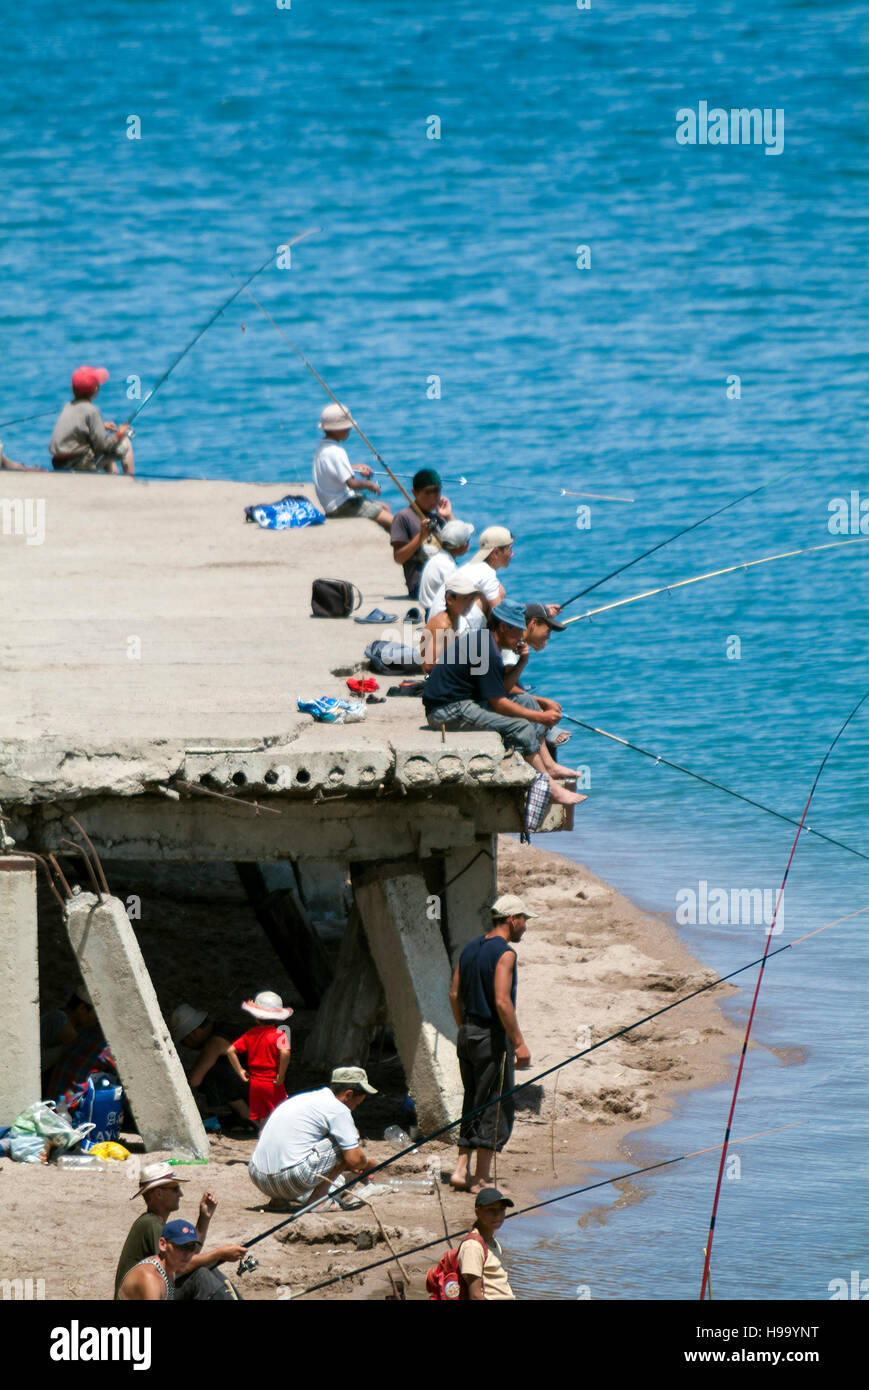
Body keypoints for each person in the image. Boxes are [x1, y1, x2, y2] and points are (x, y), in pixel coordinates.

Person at [421, 599, 586, 807]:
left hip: (466, 701)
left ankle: (549, 766)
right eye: (517, 630)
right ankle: (550, 789)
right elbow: (499, 703)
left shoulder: (488, 643)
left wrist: (521, 663)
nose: (520, 636)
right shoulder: (486, 649)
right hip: (447, 709)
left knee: (526, 700)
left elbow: (503, 689)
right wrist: (541, 717)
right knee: (520, 725)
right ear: (503, 627)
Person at [448, 895, 535, 1193]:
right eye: (524, 920)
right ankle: (482, 1179)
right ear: (512, 919)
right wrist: (519, 1043)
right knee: (494, 1104)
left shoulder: (470, 948)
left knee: (472, 1099)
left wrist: (464, 1028)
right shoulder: (506, 953)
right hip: (491, 1036)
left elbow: (454, 995)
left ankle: (461, 1170)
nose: (525, 926)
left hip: (467, 1033)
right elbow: (501, 1000)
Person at [248, 1066, 378, 1212]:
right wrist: (366, 1164)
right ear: (348, 1094)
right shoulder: (338, 1109)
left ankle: (277, 1201)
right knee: (346, 1140)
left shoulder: (303, 1099)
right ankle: (318, 1201)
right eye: (356, 1103)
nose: (354, 1108)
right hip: (288, 1182)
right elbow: (354, 1159)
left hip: (258, 1177)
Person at [114, 1162, 246, 1301]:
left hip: (159, 1287)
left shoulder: (153, 1222)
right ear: (158, 1193)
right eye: (175, 1188)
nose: (181, 1194)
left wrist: (204, 1217)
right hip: (148, 1292)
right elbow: (183, 1266)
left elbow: (186, 1257)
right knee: (201, 1276)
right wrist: (219, 1254)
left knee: (208, 1267)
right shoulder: (151, 1223)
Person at [171, 1004, 253, 1130]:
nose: (185, 1046)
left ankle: (247, 1116)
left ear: (194, 1032)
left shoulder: (216, 1041)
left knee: (213, 1071)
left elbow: (194, 1080)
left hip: (259, 1087)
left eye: (184, 1041)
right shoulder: (225, 1029)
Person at [312, 403, 392, 530]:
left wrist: (355, 467)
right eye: (347, 427)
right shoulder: (337, 451)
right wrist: (368, 485)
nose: (349, 430)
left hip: (330, 505)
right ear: (338, 429)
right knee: (392, 521)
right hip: (342, 505)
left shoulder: (323, 447)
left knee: (385, 507)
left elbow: (333, 469)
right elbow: (352, 484)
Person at [48, 366, 134, 475]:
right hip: (80, 463)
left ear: (73, 389)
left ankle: (112, 476)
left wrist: (101, 425)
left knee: (99, 446)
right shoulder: (92, 410)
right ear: (95, 390)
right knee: (125, 442)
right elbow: (103, 445)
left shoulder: (68, 406)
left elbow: (76, 429)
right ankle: (131, 479)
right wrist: (120, 434)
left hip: (59, 463)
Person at [226, 991, 292, 1130]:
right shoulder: (280, 1034)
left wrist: (240, 1071)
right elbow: (285, 1052)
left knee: (263, 1120)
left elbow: (230, 1050)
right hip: (272, 1082)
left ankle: (262, 1144)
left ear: (256, 1017)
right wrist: (282, 1075)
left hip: (255, 1084)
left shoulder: (250, 1034)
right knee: (279, 1115)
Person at [426, 524, 513, 628]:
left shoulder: (472, 567)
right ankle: (485, 641)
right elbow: (499, 612)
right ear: (496, 552)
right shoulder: (486, 572)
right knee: (497, 594)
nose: (512, 554)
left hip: (435, 622)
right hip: (449, 630)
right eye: (509, 549)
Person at [390, 468, 453, 597]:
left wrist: (449, 517)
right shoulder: (403, 517)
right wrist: (421, 536)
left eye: (437, 491)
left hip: (445, 577)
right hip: (420, 585)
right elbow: (398, 557)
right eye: (428, 492)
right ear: (414, 493)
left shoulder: (439, 518)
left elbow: (460, 547)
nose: (433, 498)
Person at [116, 1220, 199, 1302]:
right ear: (162, 1244)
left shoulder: (170, 1270)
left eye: (192, 1247)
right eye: (182, 1247)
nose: (188, 1254)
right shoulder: (150, 1278)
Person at [457, 1189, 516, 1300]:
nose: (497, 1214)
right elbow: (475, 1295)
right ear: (477, 1212)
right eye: (490, 1209)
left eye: (501, 1209)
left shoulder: (493, 1243)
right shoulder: (472, 1246)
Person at [420, 572, 482, 673]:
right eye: (465, 599)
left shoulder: (454, 618)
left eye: (471, 599)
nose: (469, 604)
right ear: (449, 599)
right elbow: (428, 665)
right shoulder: (442, 625)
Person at [417, 519, 475, 615]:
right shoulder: (447, 567)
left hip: (430, 610)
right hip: (437, 615)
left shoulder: (438, 557)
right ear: (464, 545)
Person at [40, 985, 98, 1076]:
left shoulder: (76, 1027)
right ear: (82, 1008)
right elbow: (77, 1046)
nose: (97, 1020)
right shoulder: (59, 1018)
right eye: (96, 1014)